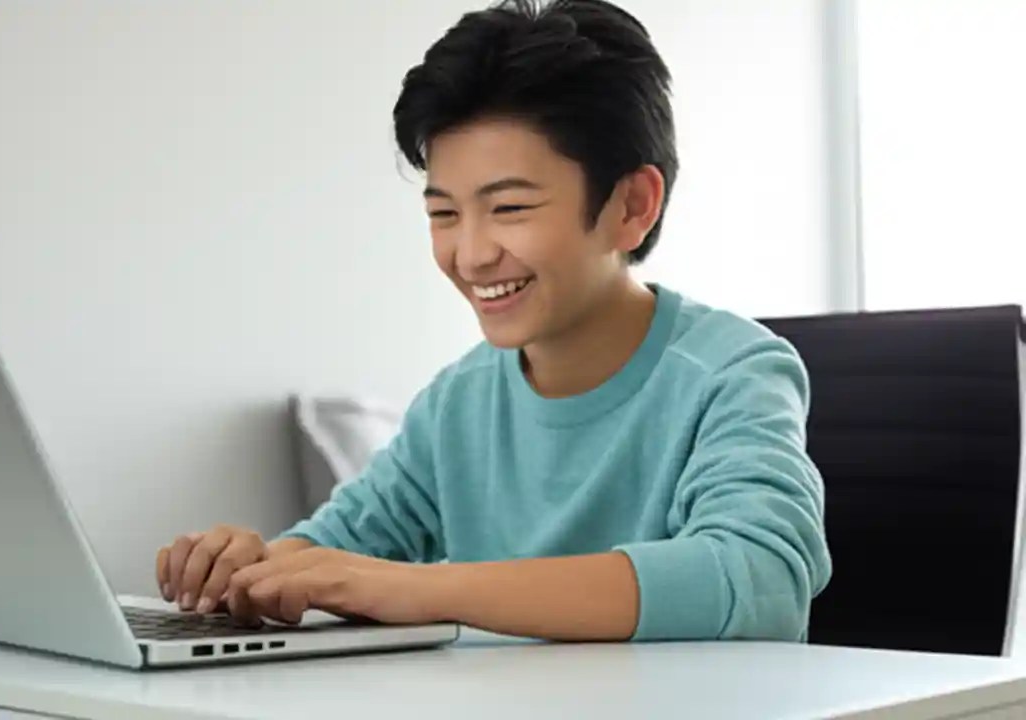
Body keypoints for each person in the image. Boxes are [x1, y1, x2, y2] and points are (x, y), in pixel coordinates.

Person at [154, 0, 831, 642]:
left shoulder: (732, 372)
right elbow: (343, 553)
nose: (471, 254)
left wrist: (426, 589)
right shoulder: (460, 402)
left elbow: (759, 578)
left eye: (509, 209)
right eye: (444, 214)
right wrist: (252, 569)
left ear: (632, 205)